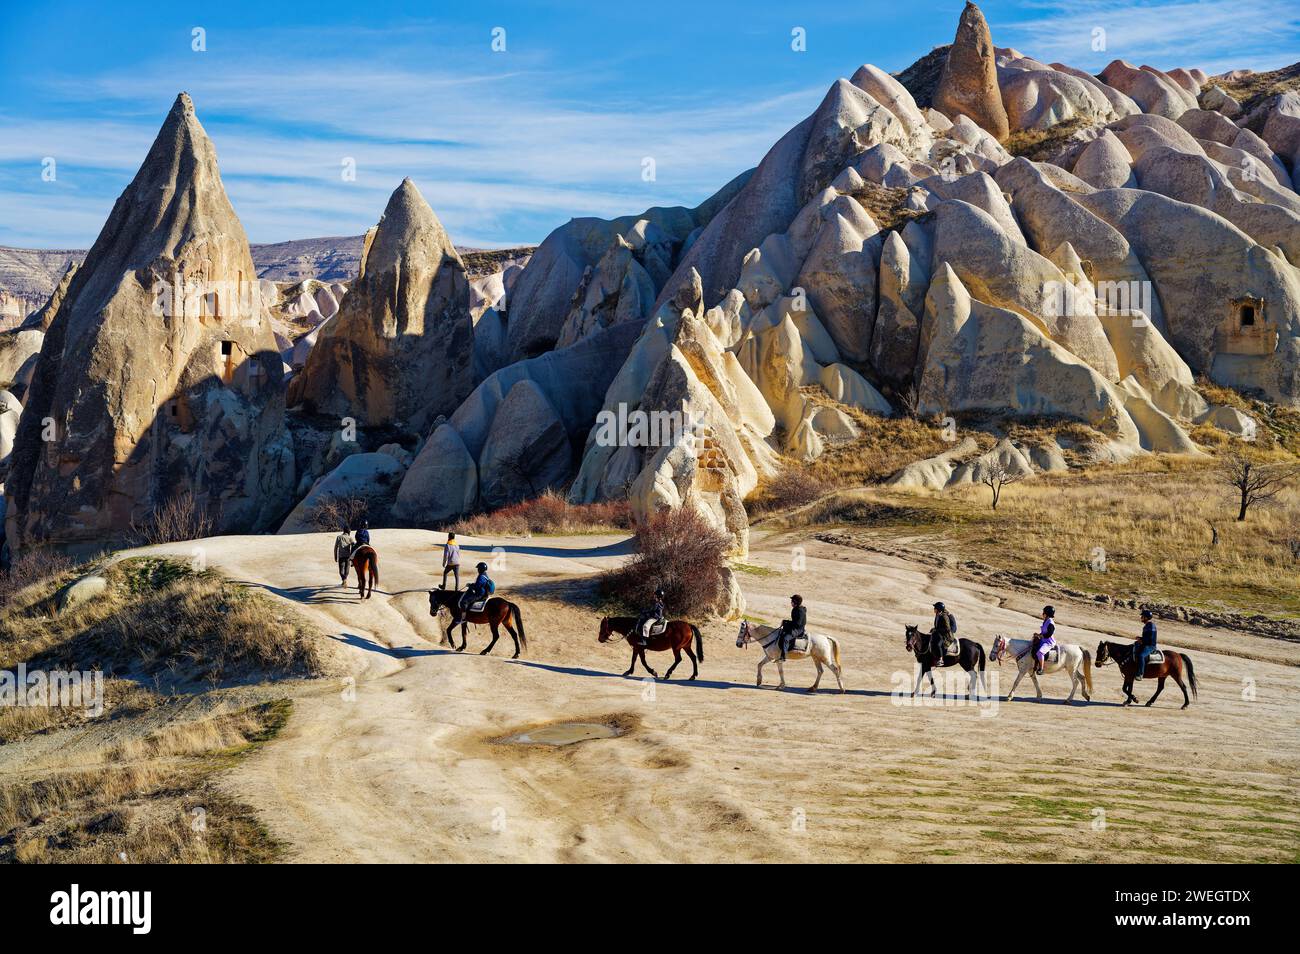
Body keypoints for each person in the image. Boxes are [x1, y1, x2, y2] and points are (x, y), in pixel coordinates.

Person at [777, 594, 807, 661]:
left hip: (798, 630)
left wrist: (786, 623)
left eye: (792, 601)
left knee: (786, 638)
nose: (791, 602)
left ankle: (783, 657)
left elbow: (797, 623)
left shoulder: (800, 611)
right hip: (795, 627)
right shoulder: (796, 609)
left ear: (795, 602)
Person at [1030, 605, 1057, 675]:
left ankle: (1041, 669)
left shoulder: (1050, 622)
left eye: (1043, 612)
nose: (1042, 614)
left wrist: (1040, 636)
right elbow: (1044, 632)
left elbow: (1049, 634)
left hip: (1048, 642)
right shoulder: (1046, 621)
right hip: (1043, 640)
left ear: (1047, 614)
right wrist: (1038, 634)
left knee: (1040, 652)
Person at [1133, 608, 1158, 680]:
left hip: (1150, 646)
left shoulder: (1151, 625)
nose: (1141, 618)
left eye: (1142, 616)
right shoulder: (1146, 626)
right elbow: (1146, 637)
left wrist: (1142, 640)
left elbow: (1151, 639)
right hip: (1146, 644)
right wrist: (1140, 639)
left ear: (1146, 617)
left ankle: (1140, 674)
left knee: (1141, 656)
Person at [931, 601, 956, 666]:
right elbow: (938, 626)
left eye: (935, 608)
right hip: (940, 634)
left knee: (938, 644)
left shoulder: (944, 617)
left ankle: (941, 659)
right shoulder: (938, 615)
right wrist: (934, 629)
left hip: (946, 636)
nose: (934, 609)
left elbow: (947, 629)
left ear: (938, 609)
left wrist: (936, 630)